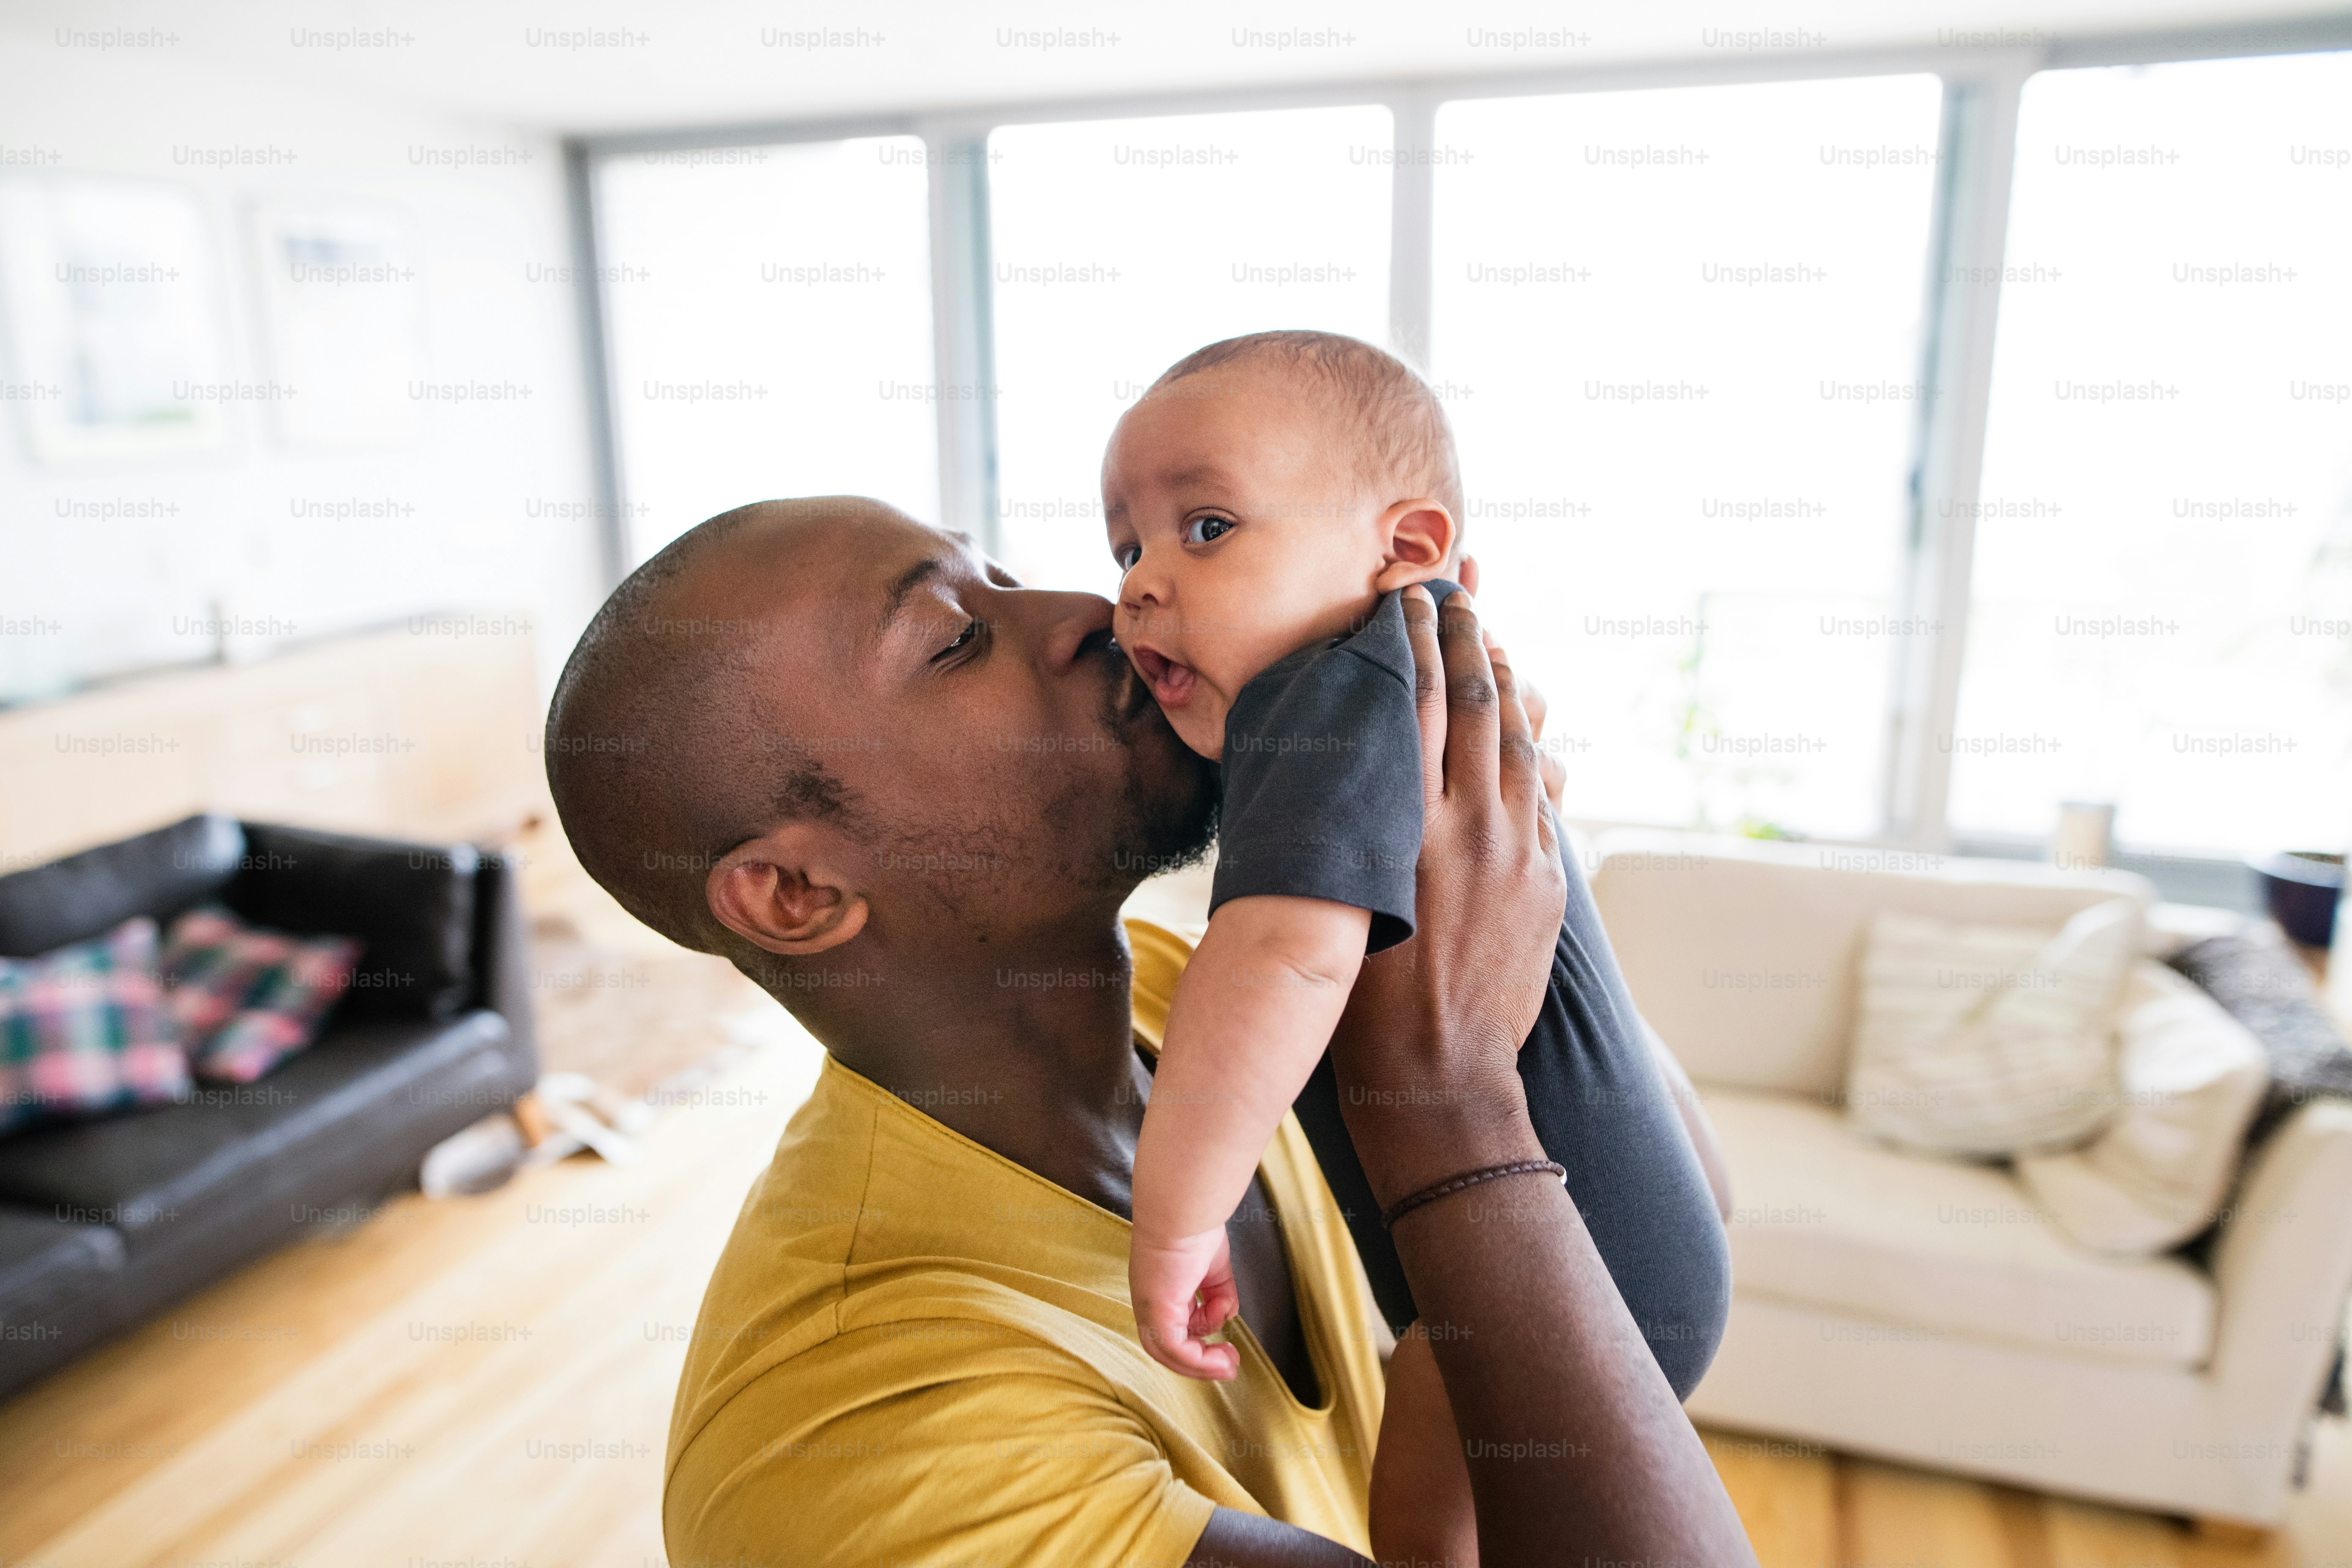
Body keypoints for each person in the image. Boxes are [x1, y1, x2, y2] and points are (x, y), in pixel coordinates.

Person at [544, 495, 1759, 1567]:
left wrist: (1508, 844)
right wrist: (1450, 1102)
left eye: (1005, 578)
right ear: (799, 897)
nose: (1090, 606)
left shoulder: (1209, 996)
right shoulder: (862, 1438)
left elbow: (1674, 1231)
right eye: (957, 641)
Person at [1108, 330, 1731, 1397]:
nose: (1142, 587)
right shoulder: (1420, 662)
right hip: (1635, 1212)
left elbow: (1283, 958)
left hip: (1536, 1278)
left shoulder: (1323, 691)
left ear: (1404, 546)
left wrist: (1177, 1220)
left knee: (1430, 1524)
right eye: (1126, 550)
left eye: (1207, 529)